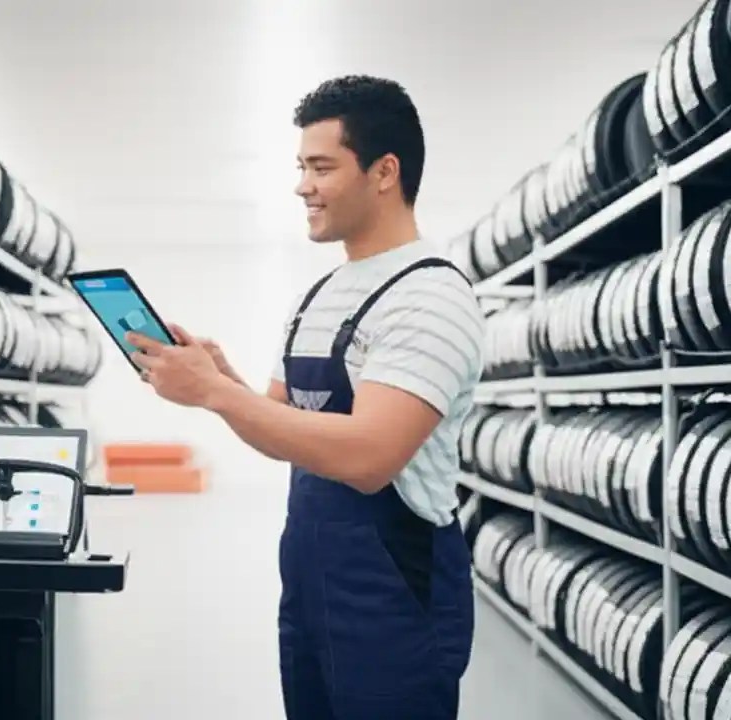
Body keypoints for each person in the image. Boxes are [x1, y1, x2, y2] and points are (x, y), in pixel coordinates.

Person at [126, 74, 486, 719]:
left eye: (321, 166)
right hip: (313, 588)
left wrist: (214, 394)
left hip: (396, 598)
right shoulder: (319, 296)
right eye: (300, 166)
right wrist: (223, 381)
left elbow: (370, 457)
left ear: (384, 172)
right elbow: (285, 428)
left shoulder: (429, 296)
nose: (302, 185)